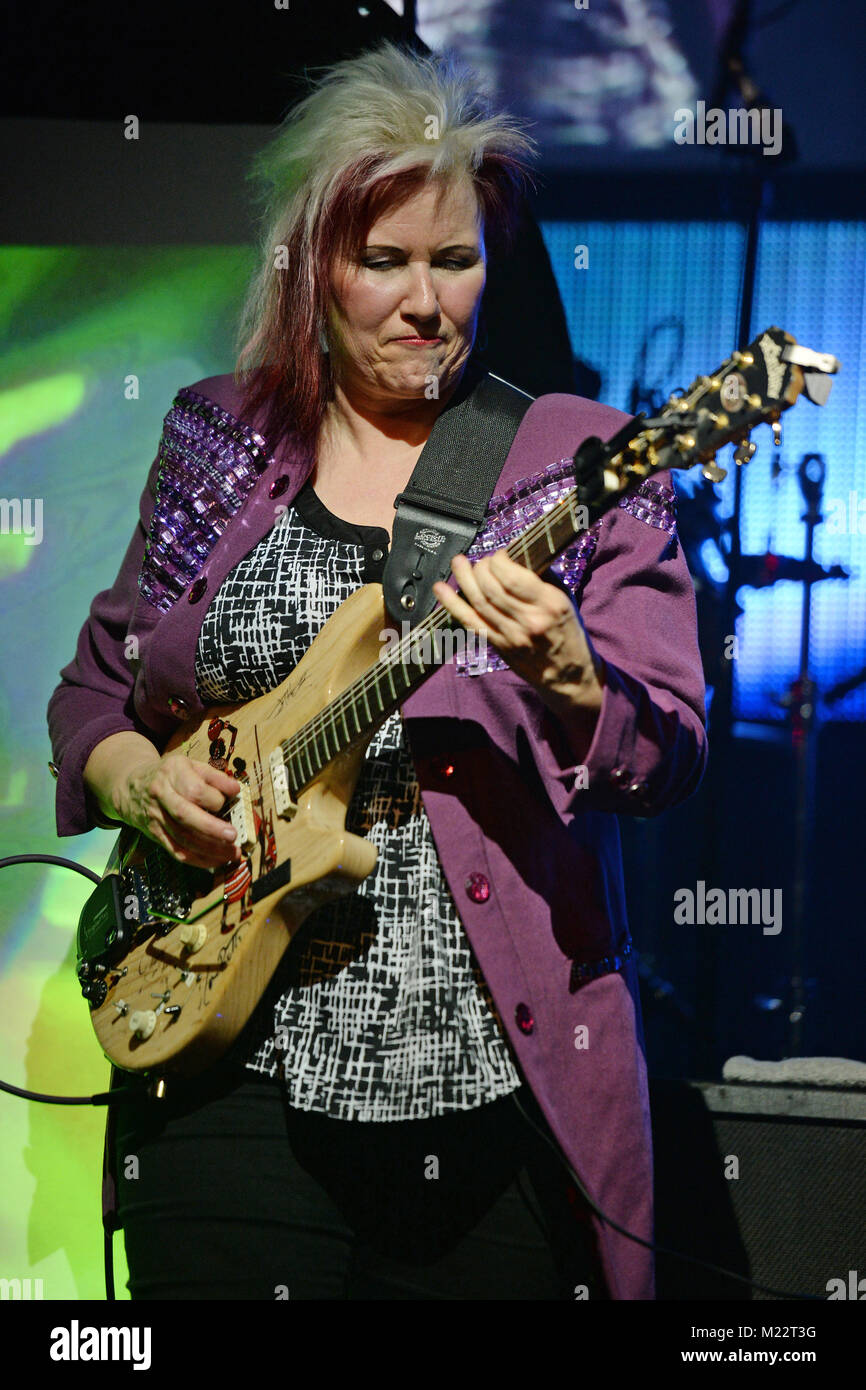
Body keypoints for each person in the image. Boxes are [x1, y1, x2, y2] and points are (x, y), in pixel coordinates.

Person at [47, 42, 707, 1300]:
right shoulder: (217, 436)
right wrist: (141, 785)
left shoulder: (579, 457)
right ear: (311, 270)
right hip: (226, 1062)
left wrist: (571, 675)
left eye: (452, 260)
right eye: (383, 260)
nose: (424, 301)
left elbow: (664, 748)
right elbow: (95, 692)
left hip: (480, 1084)